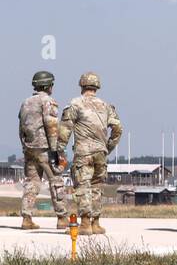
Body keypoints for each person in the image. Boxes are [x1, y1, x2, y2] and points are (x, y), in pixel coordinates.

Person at [57, 72, 122, 235]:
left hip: (83, 152)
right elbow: (117, 129)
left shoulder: (75, 104)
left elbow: (65, 130)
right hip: (101, 152)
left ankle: (85, 224)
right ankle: (96, 223)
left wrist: (60, 150)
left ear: (82, 86)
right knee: (96, 187)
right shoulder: (106, 106)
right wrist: (108, 147)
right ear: (97, 87)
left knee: (83, 186)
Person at [17, 70, 69, 230]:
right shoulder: (48, 102)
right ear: (48, 86)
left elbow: (21, 126)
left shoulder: (26, 102)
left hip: (30, 147)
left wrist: (25, 145)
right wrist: (57, 150)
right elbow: (51, 126)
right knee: (56, 181)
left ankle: (27, 217)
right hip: (45, 148)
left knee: (32, 182)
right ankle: (62, 218)